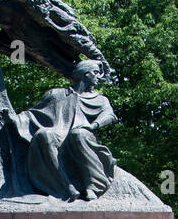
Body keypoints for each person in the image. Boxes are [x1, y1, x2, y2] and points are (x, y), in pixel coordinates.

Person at [10, 60, 118, 200]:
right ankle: (65, 186)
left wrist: (93, 125)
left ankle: (94, 186)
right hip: (59, 133)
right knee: (44, 134)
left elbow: (109, 114)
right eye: (96, 73)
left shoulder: (100, 99)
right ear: (86, 74)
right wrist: (13, 118)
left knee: (78, 134)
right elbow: (32, 114)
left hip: (83, 135)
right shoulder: (56, 94)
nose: (99, 77)